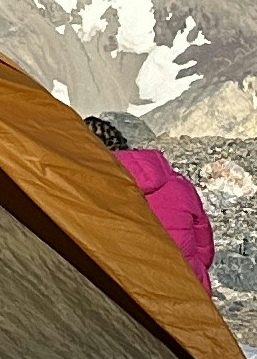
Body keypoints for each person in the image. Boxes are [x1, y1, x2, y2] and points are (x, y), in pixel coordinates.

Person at [85, 113, 214, 281]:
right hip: (189, 288)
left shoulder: (96, 189)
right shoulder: (180, 185)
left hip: (135, 289)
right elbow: (205, 250)